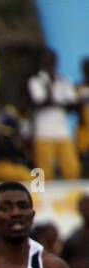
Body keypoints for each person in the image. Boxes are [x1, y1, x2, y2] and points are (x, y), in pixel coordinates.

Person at [27, 48, 81, 182]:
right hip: (43, 132)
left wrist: (54, 102)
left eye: (52, 60)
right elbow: (38, 102)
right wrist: (58, 101)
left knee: (72, 169)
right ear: (42, 61)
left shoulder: (64, 80)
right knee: (43, 172)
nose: (50, 63)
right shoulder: (36, 81)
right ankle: (39, 199)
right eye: (47, 60)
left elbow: (74, 104)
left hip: (62, 131)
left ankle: (75, 199)